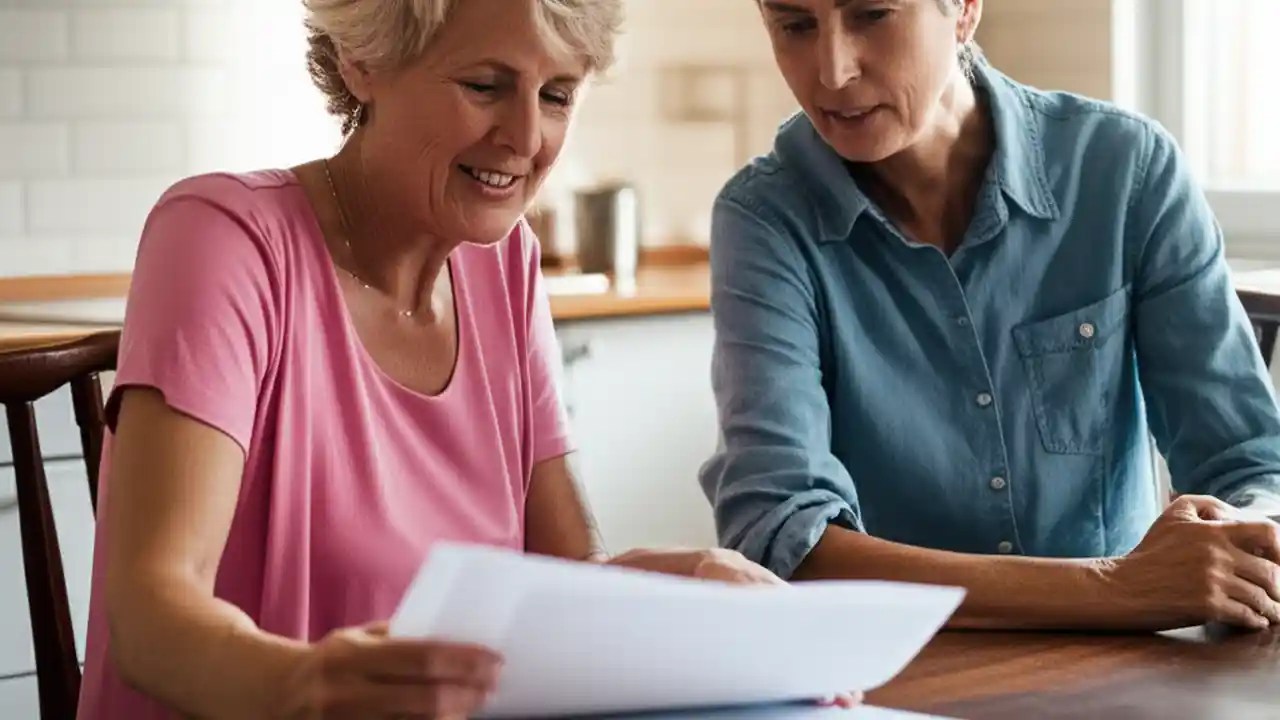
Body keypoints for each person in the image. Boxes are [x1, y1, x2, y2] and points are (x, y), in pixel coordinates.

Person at [77, 2, 802, 718]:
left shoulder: (505, 264)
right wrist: (299, 685)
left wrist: (691, 584)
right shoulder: (225, 239)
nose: (525, 137)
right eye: (484, 86)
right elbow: (150, 616)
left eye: (556, 96)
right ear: (364, 62)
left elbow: (570, 582)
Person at [700, 0, 1280, 633]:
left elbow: (1249, 463)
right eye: (795, 26)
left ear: (965, 10)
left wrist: (1235, 547)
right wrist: (1118, 589)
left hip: (1134, 669)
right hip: (896, 674)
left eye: (871, 15)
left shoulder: (1126, 169)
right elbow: (784, 536)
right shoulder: (764, 220)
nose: (832, 71)